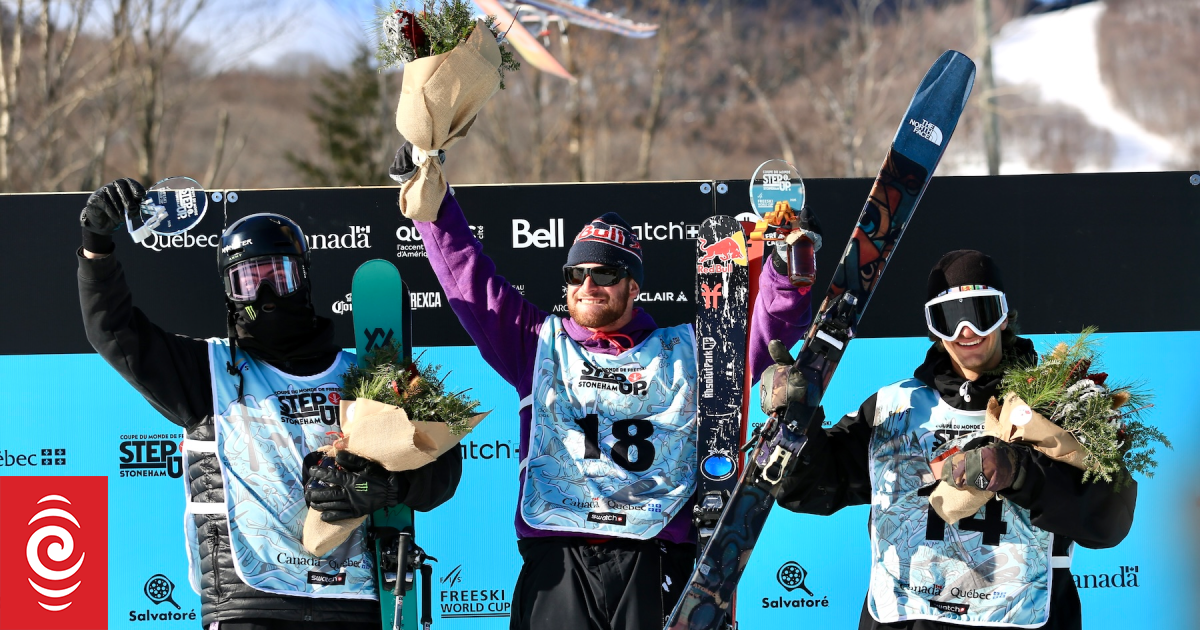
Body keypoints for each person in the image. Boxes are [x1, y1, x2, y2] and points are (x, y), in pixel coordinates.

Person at [391, 145, 820, 630]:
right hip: (559, 555)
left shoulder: (686, 350)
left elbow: (761, 340)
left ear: (634, 286)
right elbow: (470, 280)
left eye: (606, 274)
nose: (588, 285)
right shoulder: (537, 343)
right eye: (577, 274)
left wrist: (785, 271)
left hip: (654, 553)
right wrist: (432, 203)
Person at [77, 178, 462, 630]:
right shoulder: (207, 372)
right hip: (251, 601)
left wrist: (388, 489)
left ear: (303, 277)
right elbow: (115, 332)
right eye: (248, 281)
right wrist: (96, 247)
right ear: (229, 292)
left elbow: (442, 466)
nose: (265, 295)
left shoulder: (365, 371)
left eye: (278, 277)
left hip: (354, 599)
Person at [764, 249, 1137, 630]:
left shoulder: (1055, 403)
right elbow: (810, 490)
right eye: (949, 319)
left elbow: (1110, 521)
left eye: (980, 313)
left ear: (1004, 317)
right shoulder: (894, 408)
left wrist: (1020, 473)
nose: (967, 332)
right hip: (909, 620)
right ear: (933, 329)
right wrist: (797, 424)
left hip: (1022, 618)